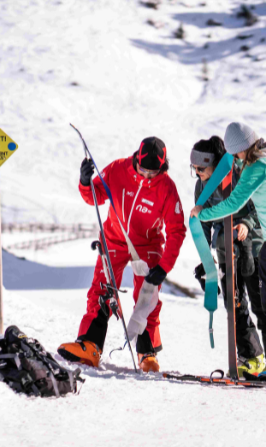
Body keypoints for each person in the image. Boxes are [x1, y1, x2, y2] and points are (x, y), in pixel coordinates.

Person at [190, 123, 266, 381]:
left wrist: (207, 213)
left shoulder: (252, 169)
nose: (235, 160)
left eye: (235, 154)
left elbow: (236, 203)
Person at [58, 137, 187, 373]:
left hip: (148, 245)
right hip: (115, 239)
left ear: (162, 167)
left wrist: (164, 267)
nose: (148, 176)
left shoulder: (167, 187)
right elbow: (93, 196)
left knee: (147, 298)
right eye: (144, 170)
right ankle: (90, 345)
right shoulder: (118, 169)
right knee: (101, 289)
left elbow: (177, 229)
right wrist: (85, 182)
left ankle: (147, 353)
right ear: (136, 159)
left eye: (153, 172)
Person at [190, 136, 266, 378]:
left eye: (201, 168)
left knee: (260, 303)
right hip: (226, 250)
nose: (197, 173)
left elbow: (258, 204)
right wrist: (207, 260)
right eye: (193, 168)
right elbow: (202, 221)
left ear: (215, 165)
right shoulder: (201, 187)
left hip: (253, 246)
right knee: (234, 305)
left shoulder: (238, 174)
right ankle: (251, 357)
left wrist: (246, 223)